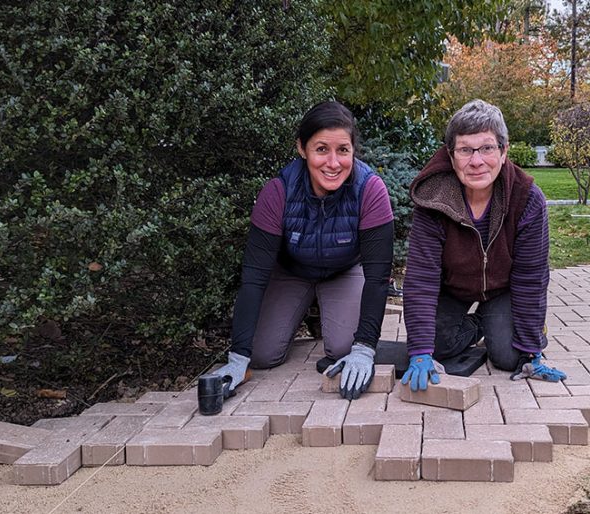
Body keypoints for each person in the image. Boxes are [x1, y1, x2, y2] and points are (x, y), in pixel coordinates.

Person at [214, 101, 394, 400]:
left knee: (344, 349)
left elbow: (378, 277)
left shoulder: (370, 190)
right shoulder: (278, 192)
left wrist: (364, 348)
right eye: (321, 149)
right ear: (302, 148)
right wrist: (238, 357)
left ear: (353, 151)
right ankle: (306, 308)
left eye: (343, 150)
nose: (333, 163)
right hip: (292, 270)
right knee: (261, 355)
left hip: (344, 269)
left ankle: (330, 315)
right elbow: (254, 277)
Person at [401, 99, 565, 391]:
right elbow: (421, 279)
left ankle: (496, 323)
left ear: (503, 151)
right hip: (452, 288)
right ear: (451, 156)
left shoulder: (526, 199)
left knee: (508, 355)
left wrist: (531, 350)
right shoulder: (432, 200)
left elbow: (532, 277)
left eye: (487, 148)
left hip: (504, 289)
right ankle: (478, 323)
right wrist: (420, 352)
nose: (476, 161)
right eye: (465, 150)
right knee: (435, 344)